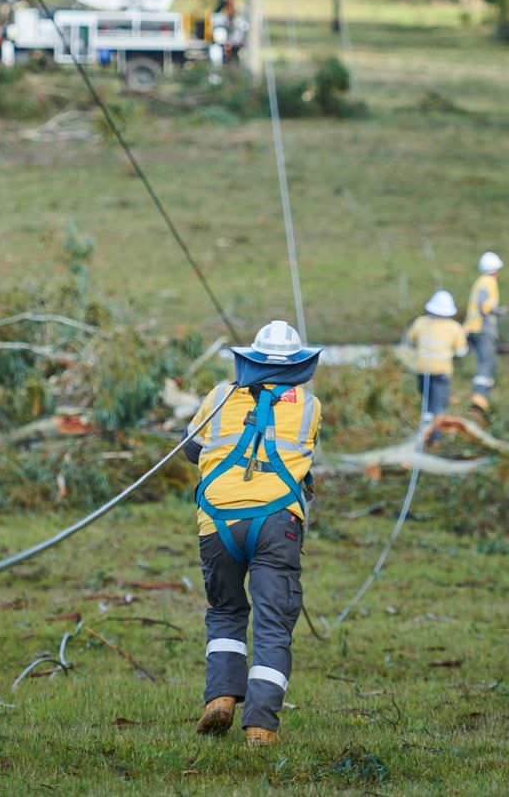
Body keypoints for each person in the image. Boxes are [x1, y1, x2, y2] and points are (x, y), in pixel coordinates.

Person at [185, 320, 322, 747]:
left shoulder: (218, 396)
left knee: (225, 610)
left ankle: (220, 700)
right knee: (272, 623)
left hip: (218, 521)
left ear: (251, 359)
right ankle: (260, 726)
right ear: (298, 365)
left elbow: (191, 450)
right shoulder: (310, 405)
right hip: (276, 522)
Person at [401, 290, 469, 426]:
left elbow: (410, 343)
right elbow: (461, 352)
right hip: (441, 372)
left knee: (425, 405)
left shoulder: (420, 322)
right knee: (438, 408)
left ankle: (424, 430)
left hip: (422, 370)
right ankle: (434, 435)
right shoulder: (454, 327)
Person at [463, 251, 504, 413]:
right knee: (487, 362)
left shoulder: (479, 281)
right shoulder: (489, 281)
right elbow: (483, 303)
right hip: (482, 327)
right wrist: (495, 311)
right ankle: (480, 398)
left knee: (482, 361)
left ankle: (482, 396)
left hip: (472, 327)